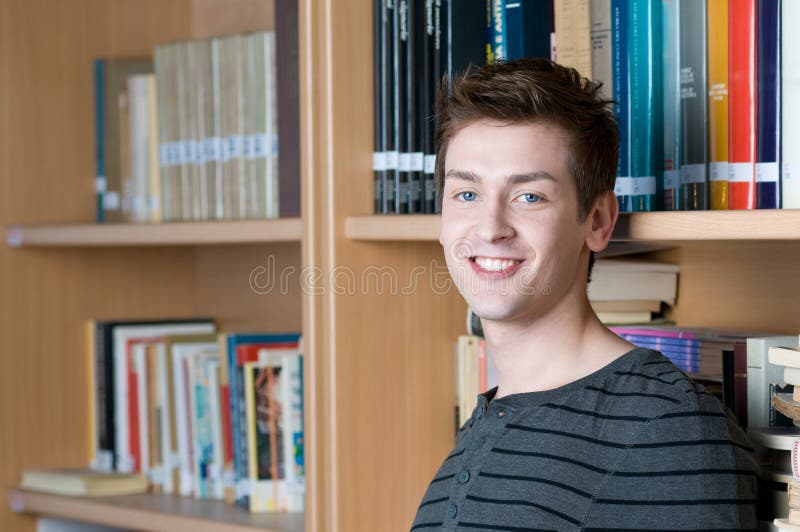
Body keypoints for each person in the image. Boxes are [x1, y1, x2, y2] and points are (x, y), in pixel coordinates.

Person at [411, 58, 758, 531]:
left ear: (597, 222)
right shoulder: (484, 425)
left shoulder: (666, 430)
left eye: (528, 196)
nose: (490, 228)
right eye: (466, 195)